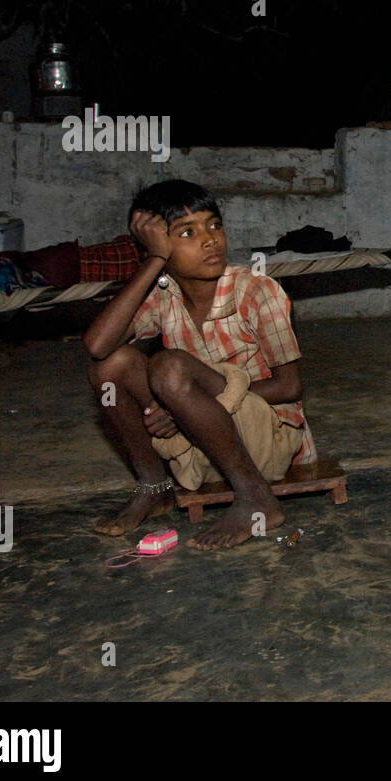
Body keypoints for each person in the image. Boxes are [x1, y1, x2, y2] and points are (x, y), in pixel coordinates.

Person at [83, 180, 316, 550]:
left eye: (215, 225)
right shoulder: (163, 295)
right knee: (108, 366)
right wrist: (154, 263)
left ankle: (256, 496)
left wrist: (187, 408)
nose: (210, 240)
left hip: (267, 440)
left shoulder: (256, 290)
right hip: (203, 445)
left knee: (170, 368)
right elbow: (97, 346)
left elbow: (290, 387)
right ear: (156, 249)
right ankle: (155, 487)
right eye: (187, 232)